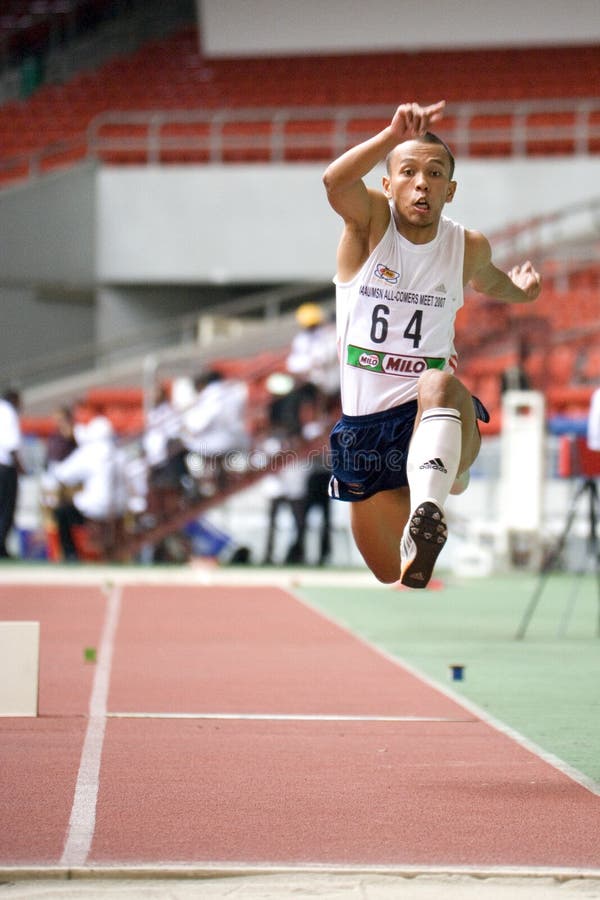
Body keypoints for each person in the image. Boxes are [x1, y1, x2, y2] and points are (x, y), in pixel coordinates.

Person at [323, 100, 542, 588]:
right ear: (387, 183)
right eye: (408, 171)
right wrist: (389, 135)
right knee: (389, 573)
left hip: (429, 412)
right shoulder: (368, 227)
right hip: (366, 432)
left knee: (438, 382)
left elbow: (490, 280)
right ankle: (426, 514)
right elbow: (334, 183)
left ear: (450, 189)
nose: (421, 183)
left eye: (434, 173)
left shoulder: (467, 246)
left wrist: (522, 291)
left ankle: (432, 503)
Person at [0, 388, 24, 559]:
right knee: (6, 508)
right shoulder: (8, 412)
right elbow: (11, 444)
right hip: (4, 467)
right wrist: (21, 467)